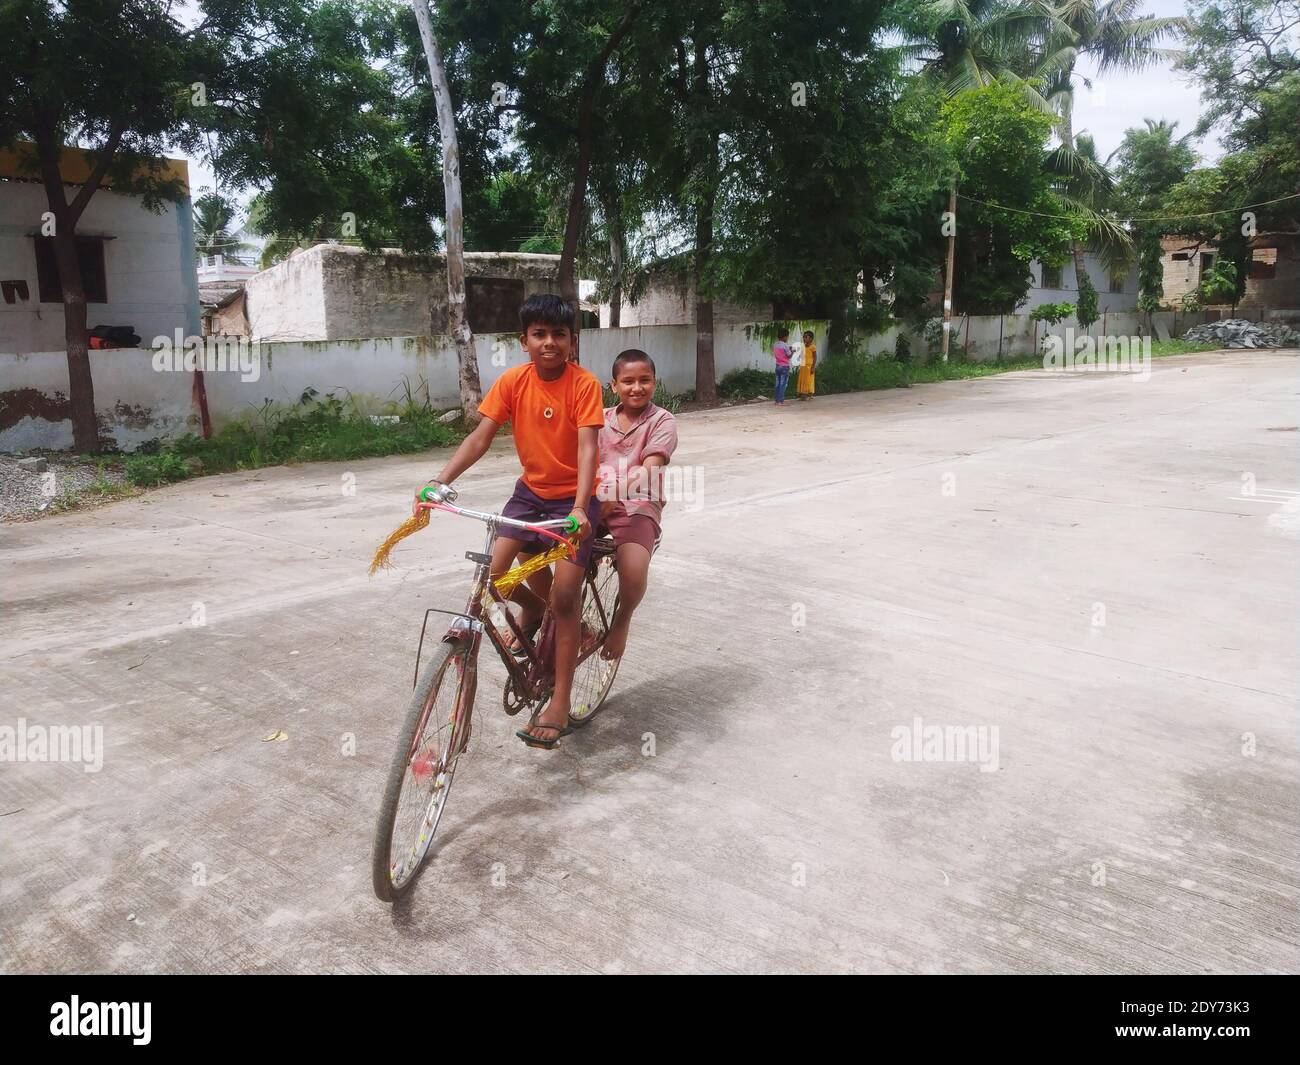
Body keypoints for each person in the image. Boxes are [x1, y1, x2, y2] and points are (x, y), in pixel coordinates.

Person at [415, 293, 604, 750]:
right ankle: (530, 609)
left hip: (573, 503)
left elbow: (587, 449)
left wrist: (579, 508)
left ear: (572, 341)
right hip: (529, 496)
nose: (549, 343)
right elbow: (480, 438)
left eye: (559, 334)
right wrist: (439, 482)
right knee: (494, 579)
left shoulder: (584, 385)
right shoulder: (512, 382)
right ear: (524, 341)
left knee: (563, 595)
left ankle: (558, 700)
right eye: (539, 334)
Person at [595, 349, 679, 662]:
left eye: (645, 380)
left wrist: (614, 492)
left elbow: (650, 467)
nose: (636, 387)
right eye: (628, 381)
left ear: (655, 383)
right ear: (613, 385)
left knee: (632, 570)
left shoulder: (662, 421)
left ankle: (622, 620)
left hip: (638, 504)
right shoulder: (599, 418)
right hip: (596, 498)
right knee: (561, 565)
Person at [773, 327, 792, 405]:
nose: (787, 338)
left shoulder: (775, 344)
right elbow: (789, 355)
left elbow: (780, 354)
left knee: (777, 383)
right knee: (783, 384)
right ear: (784, 337)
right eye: (787, 336)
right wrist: (792, 351)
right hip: (784, 367)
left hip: (778, 366)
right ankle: (781, 400)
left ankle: (777, 400)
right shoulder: (785, 345)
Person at [796, 329, 816, 400]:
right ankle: (802, 394)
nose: (804, 339)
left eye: (806, 337)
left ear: (811, 339)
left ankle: (808, 394)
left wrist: (813, 367)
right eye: (803, 337)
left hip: (809, 367)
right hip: (803, 366)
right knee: (802, 380)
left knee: (809, 381)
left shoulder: (812, 347)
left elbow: (815, 357)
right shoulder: (802, 346)